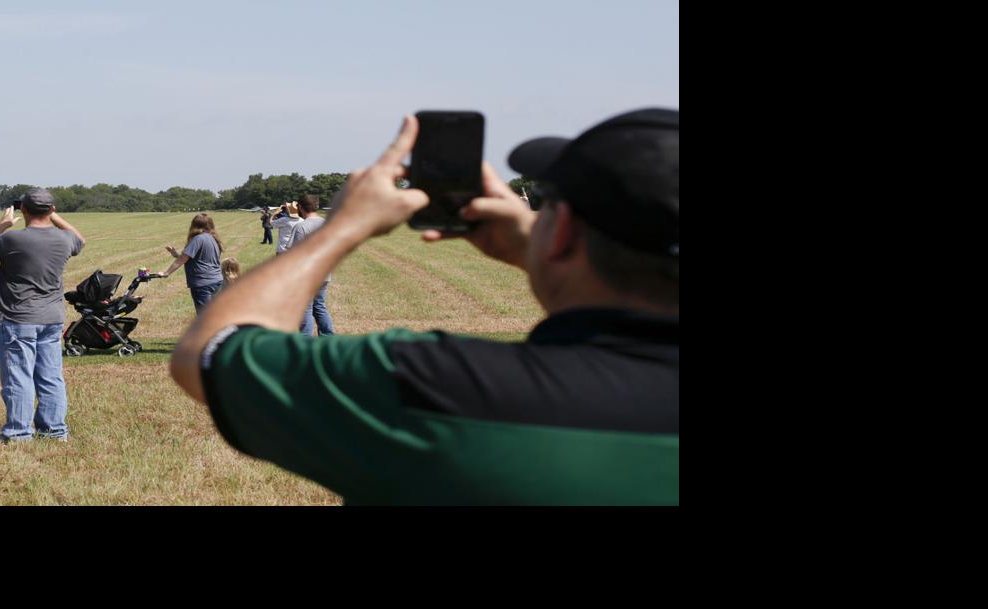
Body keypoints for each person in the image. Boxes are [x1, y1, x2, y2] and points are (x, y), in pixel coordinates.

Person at [169, 109, 681, 505]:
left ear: (564, 229)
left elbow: (208, 353)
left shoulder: (436, 386)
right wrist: (543, 252)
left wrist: (343, 228)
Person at [0, 188, 88, 445]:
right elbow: (80, 239)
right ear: (52, 210)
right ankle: (54, 430)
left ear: (23, 210)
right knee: (50, 376)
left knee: (18, 376)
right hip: (52, 317)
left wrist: (1, 226)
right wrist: (54, 217)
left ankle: (18, 432)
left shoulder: (13, 240)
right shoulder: (64, 240)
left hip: (18, 318)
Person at [280, 193, 335, 337]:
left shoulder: (301, 227)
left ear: (301, 208)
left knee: (305, 309)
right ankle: (328, 338)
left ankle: (305, 342)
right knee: (320, 307)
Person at [158, 214, 225, 312]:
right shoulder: (213, 238)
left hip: (203, 284)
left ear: (194, 225)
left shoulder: (198, 239)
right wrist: (175, 254)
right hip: (217, 281)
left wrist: (166, 273)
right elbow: (197, 258)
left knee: (204, 318)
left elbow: (183, 259)